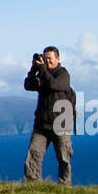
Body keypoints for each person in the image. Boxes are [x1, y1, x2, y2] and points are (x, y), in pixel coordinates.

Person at [23, 46, 74, 186]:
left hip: (61, 123)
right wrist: (34, 69)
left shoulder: (63, 74)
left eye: (50, 59)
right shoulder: (42, 74)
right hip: (42, 124)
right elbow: (28, 85)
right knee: (34, 154)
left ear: (58, 59)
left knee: (64, 157)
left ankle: (64, 185)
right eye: (45, 59)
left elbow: (54, 85)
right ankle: (33, 184)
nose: (47, 61)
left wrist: (42, 70)